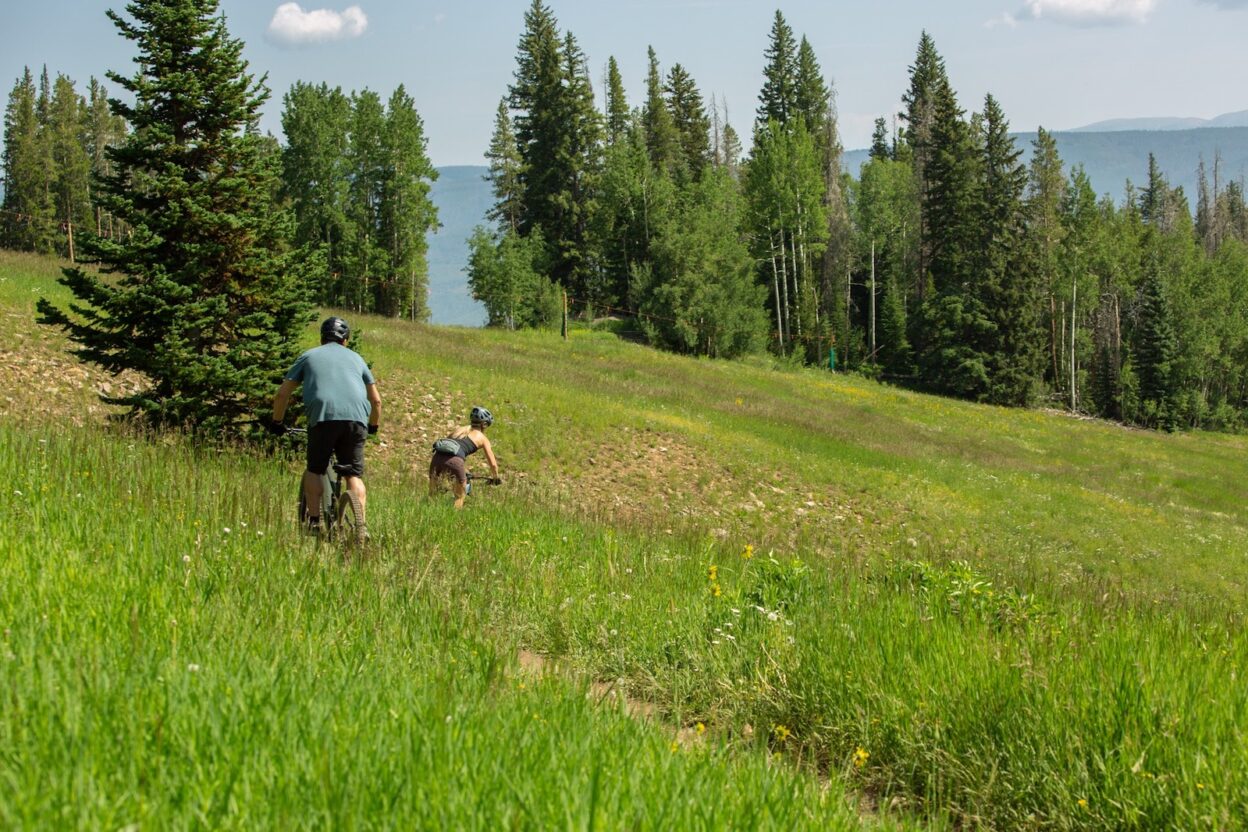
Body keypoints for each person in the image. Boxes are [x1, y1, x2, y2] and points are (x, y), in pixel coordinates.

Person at [269, 316, 381, 535]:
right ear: (345, 340)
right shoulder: (357, 359)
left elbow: (282, 394)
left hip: (323, 418)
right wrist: (373, 426)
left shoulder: (308, 356)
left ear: (322, 338)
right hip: (356, 421)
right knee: (353, 475)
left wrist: (277, 422)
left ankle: (313, 522)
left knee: (315, 469)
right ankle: (361, 528)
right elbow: (376, 400)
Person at [429, 406, 500, 509]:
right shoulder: (482, 438)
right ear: (484, 424)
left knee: (432, 496)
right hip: (455, 461)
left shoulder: (459, 430)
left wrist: (463, 469)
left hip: (436, 458)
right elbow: (493, 464)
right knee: (459, 497)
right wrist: (496, 478)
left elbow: (450, 448)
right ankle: (452, 521)